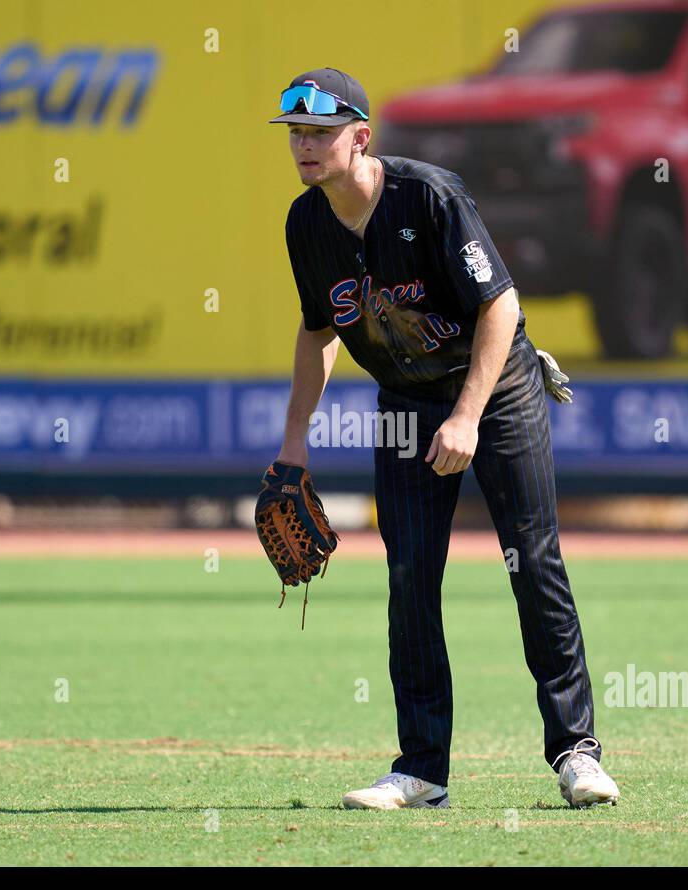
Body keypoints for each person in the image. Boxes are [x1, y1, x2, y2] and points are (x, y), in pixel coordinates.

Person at [270, 67, 618, 810]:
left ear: (360, 138)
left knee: (532, 562)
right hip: (405, 403)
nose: (305, 145)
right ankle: (422, 769)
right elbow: (318, 329)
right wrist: (293, 441)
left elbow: (499, 306)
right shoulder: (307, 224)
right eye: (296, 133)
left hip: (496, 391)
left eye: (321, 132)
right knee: (409, 579)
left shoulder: (428, 196)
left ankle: (576, 753)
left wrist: (465, 414)